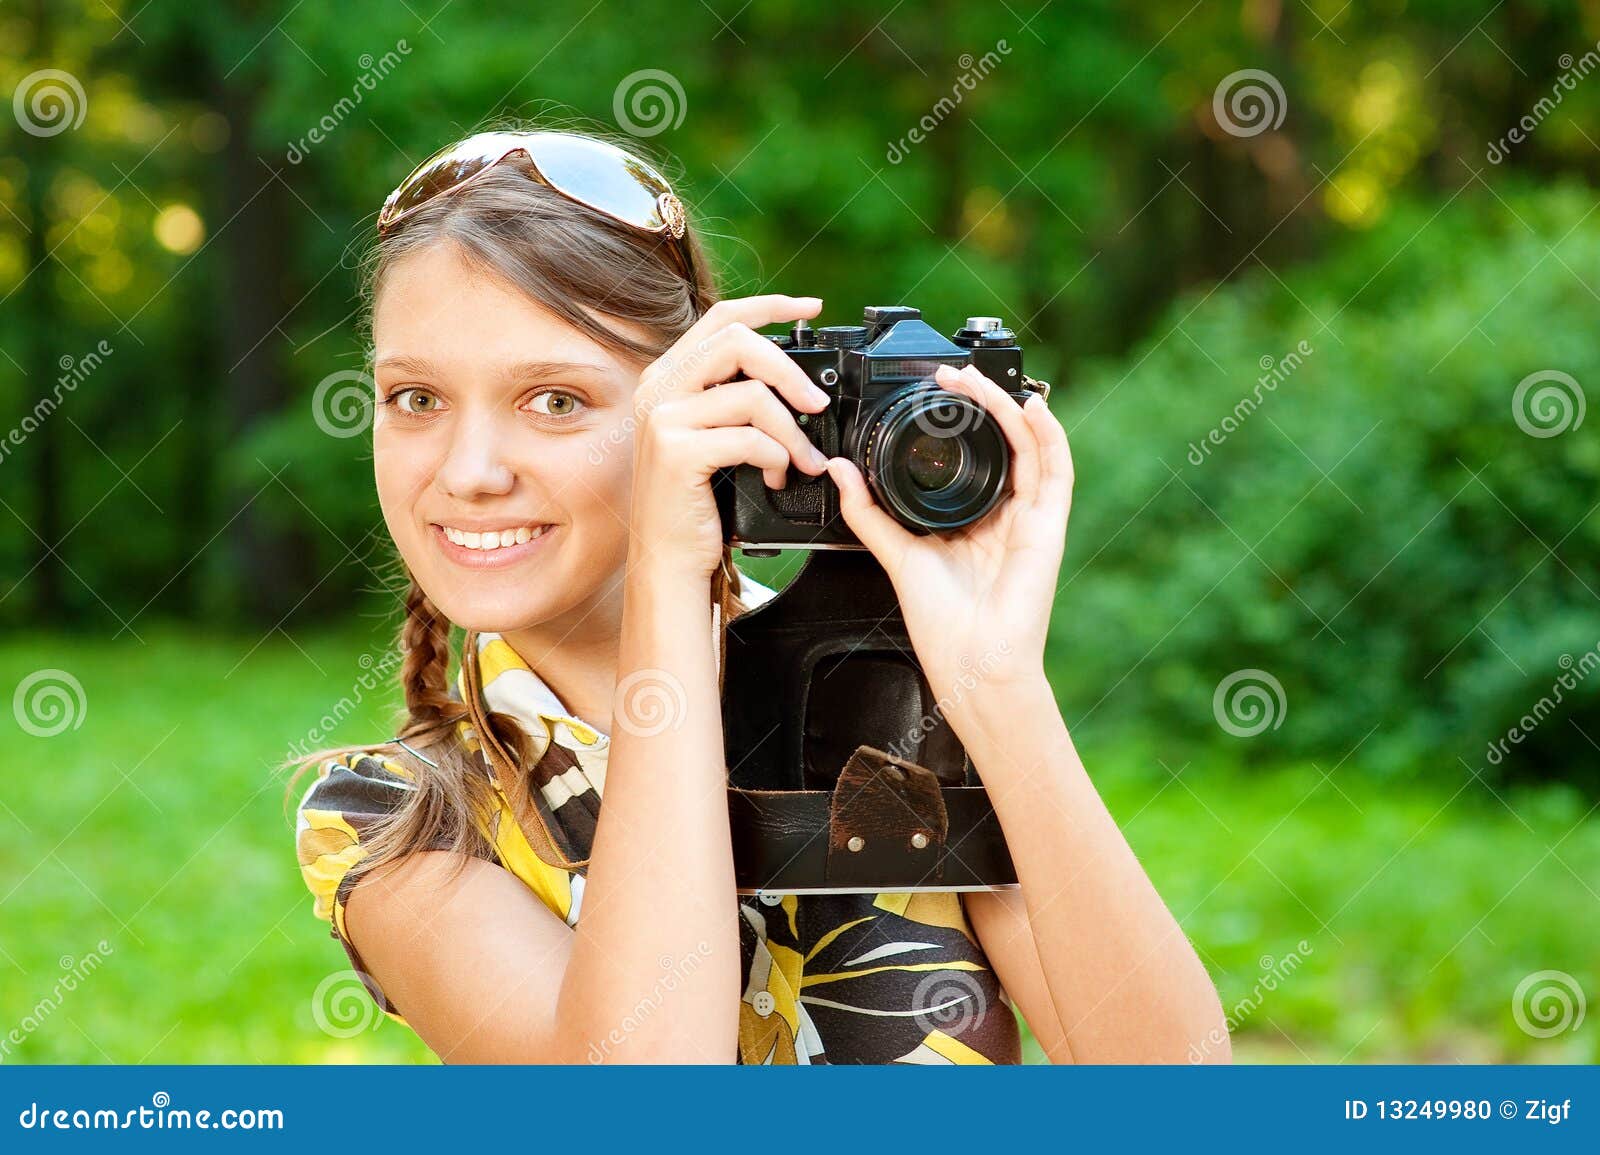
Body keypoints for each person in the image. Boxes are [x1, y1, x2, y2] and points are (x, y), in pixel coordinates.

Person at [289, 125, 1229, 1064]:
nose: (471, 471)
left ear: (705, 400)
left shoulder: (875, 703)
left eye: (555, 400)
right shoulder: (394, 820)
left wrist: (997, 686)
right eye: (415, 398)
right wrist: (669, 579)